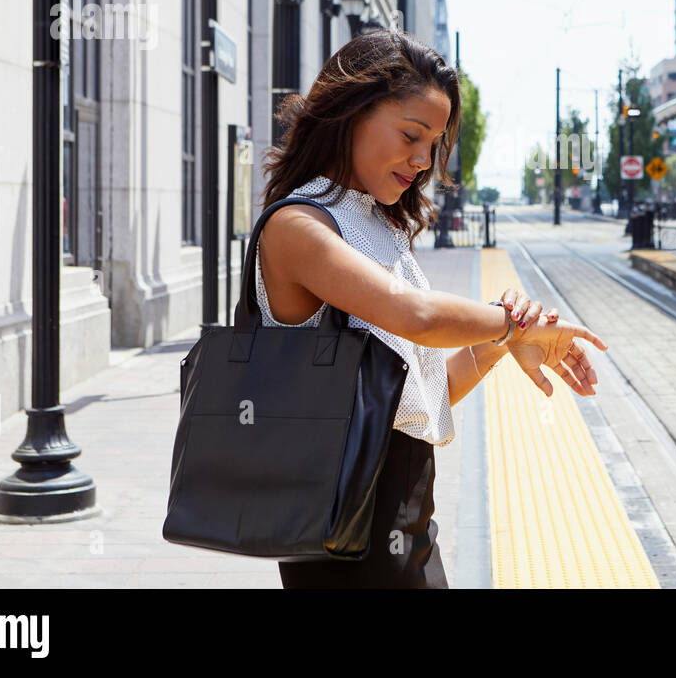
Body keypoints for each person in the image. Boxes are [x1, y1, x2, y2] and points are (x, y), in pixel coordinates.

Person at [255, 29, 606, 588]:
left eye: (434, 143)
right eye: (411, 135)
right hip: (342, 535)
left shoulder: (377, 228)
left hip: (405, 522)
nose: (422, 160)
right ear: (350, 114)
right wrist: (512, 319)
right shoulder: (298, 225)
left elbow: (421, 400)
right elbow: (414, 315)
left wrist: (503, 342)